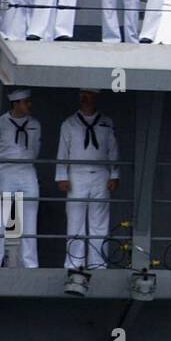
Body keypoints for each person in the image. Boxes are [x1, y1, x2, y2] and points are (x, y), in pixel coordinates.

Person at [57, 89, 120, 271]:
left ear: (96, 97)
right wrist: (62, 175)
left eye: (89, 94)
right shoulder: (69, 123)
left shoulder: (106, 122)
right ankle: (74, 263)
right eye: (82, 95)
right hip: (77, 174)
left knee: (99, 223)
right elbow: (63, 151)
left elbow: (113, 150)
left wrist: (115, 174)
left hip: (101, 173)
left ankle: (98, 264)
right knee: (75, 222)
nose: (85, 98)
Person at [0, 88, 40, 269]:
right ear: (16, 103)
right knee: (0, 218)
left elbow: (36, 149)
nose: (29, 105)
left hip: (27, 169)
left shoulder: (35, 124)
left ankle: (30, 263)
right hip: (6, 169)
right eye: (26, 102)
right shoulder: (1, 122)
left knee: (30, 217)